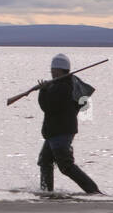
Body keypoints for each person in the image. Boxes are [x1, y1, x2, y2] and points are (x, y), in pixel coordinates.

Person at [36, 53, 101, 194]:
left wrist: (42, 91)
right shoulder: (70, 83)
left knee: (66, 166)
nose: (52, 73)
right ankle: (46, 191)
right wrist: (47, 89)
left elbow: (47, 107)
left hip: (60, 132)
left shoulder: (62, 87)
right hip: (57, 131)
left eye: (53, 70)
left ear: (58, 70)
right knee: (45, 161)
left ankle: (93, 191)